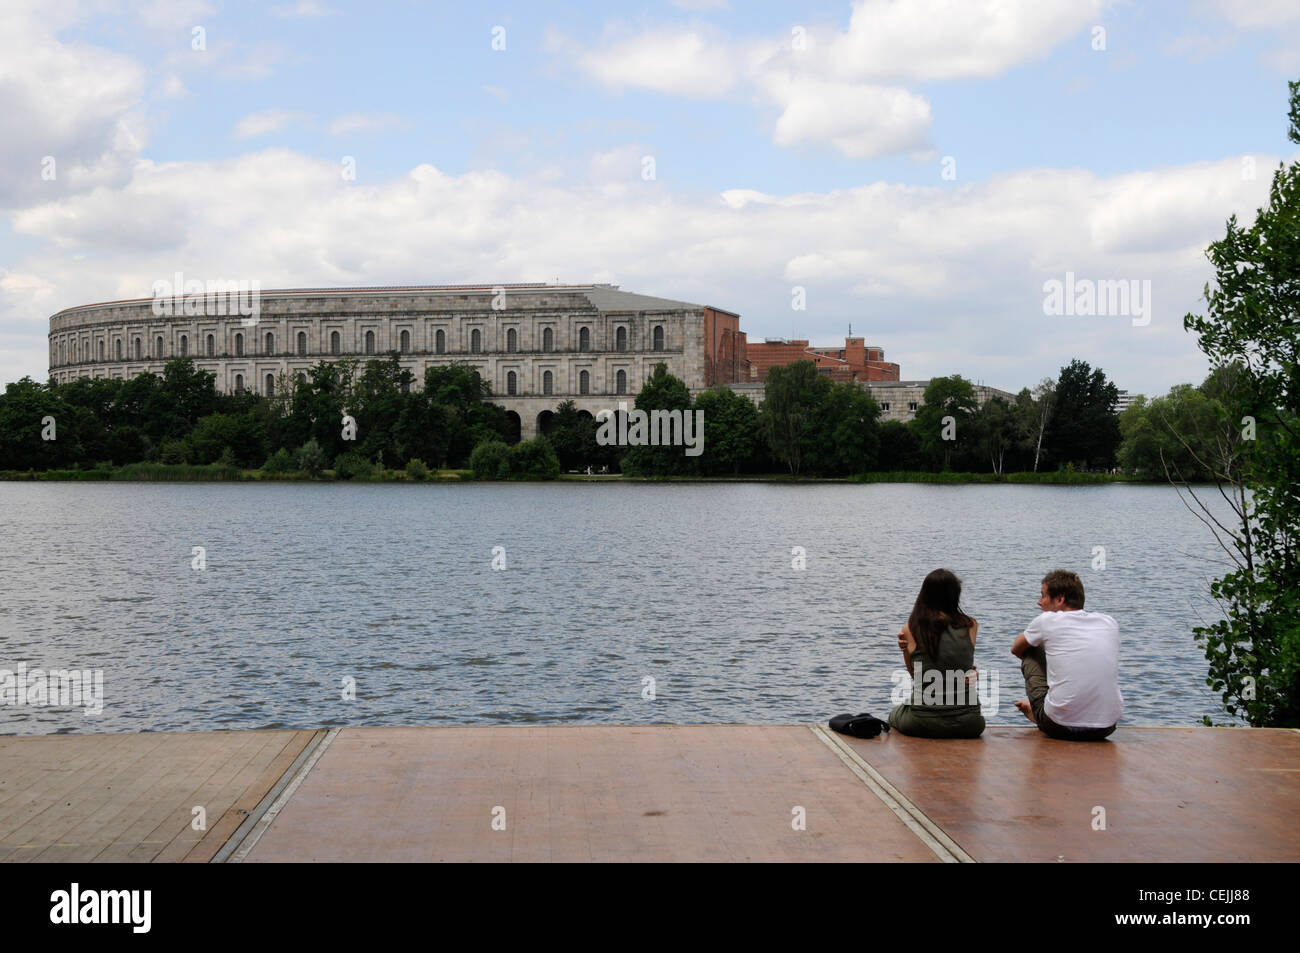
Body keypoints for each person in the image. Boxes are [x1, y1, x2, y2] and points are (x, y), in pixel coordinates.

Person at [1011, 570, 1122, 741]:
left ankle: (1041, 713)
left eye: (1043, 596)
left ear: (1060, 599)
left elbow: (1016, 649)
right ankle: (1054, 705)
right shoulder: (1109, 622)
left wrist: (1045, 662)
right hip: (1106, 727)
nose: (1039, 602)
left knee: (1030, 650)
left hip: (1059, 726)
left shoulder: (1046, 620)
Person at [888, 569, 986, 738]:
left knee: (894, 714)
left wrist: (905, 651)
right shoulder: (971, 625)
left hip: (922, 722)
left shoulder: (912, 627)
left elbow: (915, 675)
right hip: (971, 723)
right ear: (955, 595)